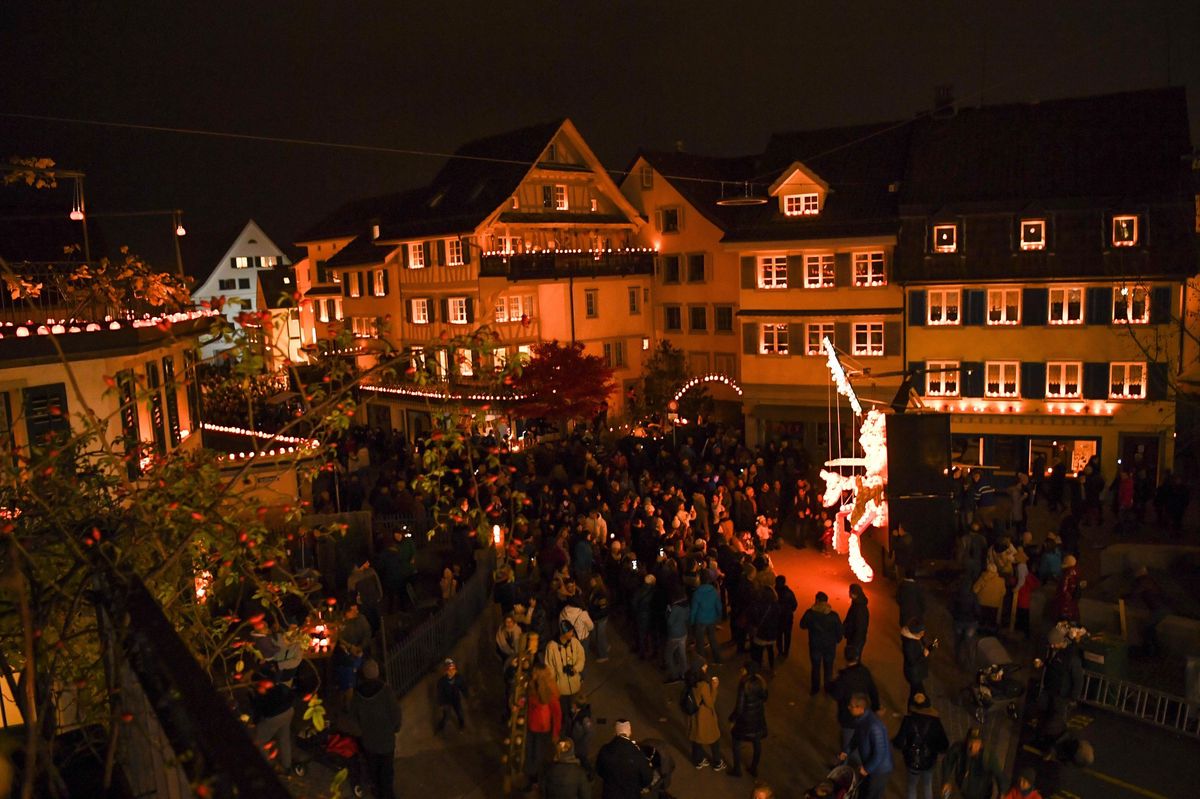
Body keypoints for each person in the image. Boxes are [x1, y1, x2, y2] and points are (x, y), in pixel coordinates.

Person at [347, 659, 401, 799]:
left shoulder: (358, 696)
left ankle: (377, 792)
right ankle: (387, 795)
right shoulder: (386, 691)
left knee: (373, 769)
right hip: (386, 740)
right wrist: (395, 727)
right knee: (387, 771)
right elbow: (395, 714)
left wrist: (361, 732)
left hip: (369, 741)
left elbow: (353, 718)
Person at [891, 692, 949, 799]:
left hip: (912, 762)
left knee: (912, 786)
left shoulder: (908, 721)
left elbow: (899, 742)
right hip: (929, 760)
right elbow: (944, 744)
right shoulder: (935, 722)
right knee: (927, 785)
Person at [839, 693, 892, 799]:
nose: (849, 708)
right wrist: (846, 751)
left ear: (860, 708)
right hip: (869, 766)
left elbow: (880, 753)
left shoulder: (874, 726)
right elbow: (856, 738)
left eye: (851, 706)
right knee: (863, 793)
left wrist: (867, 768)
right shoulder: (861, 720)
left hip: (879, 771)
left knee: (871, 795)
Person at [831, 647, 879, 751]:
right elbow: (873, 690)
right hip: (863, 711)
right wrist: (876, 707)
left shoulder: (844, 677)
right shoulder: (864, 671)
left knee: (847, 743)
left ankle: (845, 763)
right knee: (862, 739)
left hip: (848, 715)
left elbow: (836, 694)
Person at [727, 661, 768, 778]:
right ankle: (754, 768)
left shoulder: (744, 684)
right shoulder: (761, 682)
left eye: (743, 669)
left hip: (744, 720)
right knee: (756, 742)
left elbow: (739, 707)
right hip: (757, 718)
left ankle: (737, 770)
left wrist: (732, 718)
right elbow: (765, 698)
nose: (741, 671)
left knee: (736, 743)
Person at [251, 664, 295, 773]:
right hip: (289, 711)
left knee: (259, 741)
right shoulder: (280, 687)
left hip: (275, 716)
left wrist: (256, 723)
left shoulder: (262, 693)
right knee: (284, 738)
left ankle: (268, 766)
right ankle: (287, 766)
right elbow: (291, 695)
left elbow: (258, 710)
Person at [525, 659, 562, 788]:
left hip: (542, 729)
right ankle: (532, 776)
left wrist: (556, 733)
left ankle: (535, 780)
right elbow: (527, 702)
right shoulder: (532, 686)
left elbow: (557, 714)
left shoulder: (550, 693)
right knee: (530, 752)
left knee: (537, 754)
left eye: (535, 673)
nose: (532, 674)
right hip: (531, 726)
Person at [942, 727, 1006, 799]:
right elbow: (948, 761)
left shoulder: (988, 757)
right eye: (971, 742)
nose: (972, 747)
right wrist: (946, 780)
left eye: (976, 743)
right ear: (966, 741)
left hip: (981, 796)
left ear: (981, 744)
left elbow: (1000, 775)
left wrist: (1002, 793)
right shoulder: (959, 749)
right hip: (963, 791)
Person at [596, 719, 654, 799]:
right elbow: (647, 778)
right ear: (630, 732)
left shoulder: (605, 750)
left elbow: (599, 771)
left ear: (615, 732)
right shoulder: (637, 753)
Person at [799, 591, 843, 694]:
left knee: (815, 667)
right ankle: (828, 688)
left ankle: (815, 688)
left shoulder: (810, 613)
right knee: (828, 668)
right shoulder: (833, 615)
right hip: (829, 646)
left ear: (817, 601)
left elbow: (802, 625)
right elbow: (839, 631)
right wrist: (837, 640)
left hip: (815, 645)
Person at [686, 661, 726, 770]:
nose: (706, 667)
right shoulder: (703, 685)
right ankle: (717, 763)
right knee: (714, 738)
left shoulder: (690, 679)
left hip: (694, 714)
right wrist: (714, 687)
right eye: (704, 666)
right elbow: (710, 703)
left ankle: (698, 761)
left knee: (696, 738)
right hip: (704, 716)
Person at [546, 620, 587, 719]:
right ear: (563, 633)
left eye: (572, 631)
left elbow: (581, 657)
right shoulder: (551, 647)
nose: (572, 634)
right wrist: (554, 685)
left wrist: (575, 669)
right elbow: (549, 667)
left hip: (575, 686)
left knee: (575, 711)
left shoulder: (575, 642)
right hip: (561, 689)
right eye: (569, 632)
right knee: (563, 712)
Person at [689, 571, 724, 665]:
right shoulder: (714, 591)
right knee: (713, 639)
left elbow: (694, 610)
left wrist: (691, 621)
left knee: (700, 642)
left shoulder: (697, 593)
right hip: (711, 619)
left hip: (700, 620)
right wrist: (718, 617)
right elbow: (719, 606)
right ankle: (718, 660)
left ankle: (702, 663)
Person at [900, 619, 932, 702]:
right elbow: (912, 662)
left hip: (916, 673)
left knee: (914, 693)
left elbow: (922, 648)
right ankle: (916, 708)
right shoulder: (910, 644)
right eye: (922, 632)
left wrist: (931, 647)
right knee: (918, 694)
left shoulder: (916, 638)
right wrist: (923, 655)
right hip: (914, 675)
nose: (923, 633)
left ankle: (911, 708)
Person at [435, 657, 468, 732]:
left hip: (456, 698)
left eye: (453, 669)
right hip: (447, 700)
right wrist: (441, 704)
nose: (452, 671)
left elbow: (463, 686)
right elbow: (440, 693)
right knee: (446, 716)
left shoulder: (459, 678)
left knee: (459, 712)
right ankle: (440, 728)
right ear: (446, 671)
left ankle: (462, 725)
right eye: (450, 670)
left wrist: (466, 694)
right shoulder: (442, 682)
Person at [664, 592, 690, 684]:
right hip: (683, 633)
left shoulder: (675, 608)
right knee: (682, 654)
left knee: (668, 655)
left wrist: (667, 612)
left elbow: (670, 622)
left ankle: (674, 676)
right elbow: (687, 618)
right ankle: (684, 673)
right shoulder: (687, 606)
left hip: (674, 635)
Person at [1050, 555, 1081, 622]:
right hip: (1072, 602)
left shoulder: (1067, 574)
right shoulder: (1076, 572)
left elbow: (1063, 589)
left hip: (1064, 605)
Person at [843, 583, 870, 659]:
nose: (849, 593)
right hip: (853, 636)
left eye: (850, 591)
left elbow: (860, 627)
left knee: (854, 659)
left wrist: (855, 643)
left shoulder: (859, 608)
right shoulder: (856, 603)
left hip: (856, 639)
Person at [774, 575, 798, 658]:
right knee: (787, 635)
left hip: (777, 618)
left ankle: (780, 651)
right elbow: (795, 605)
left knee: (779, 635)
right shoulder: (789, 593)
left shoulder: (774, 593)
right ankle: (786, 652)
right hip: (787, 617)